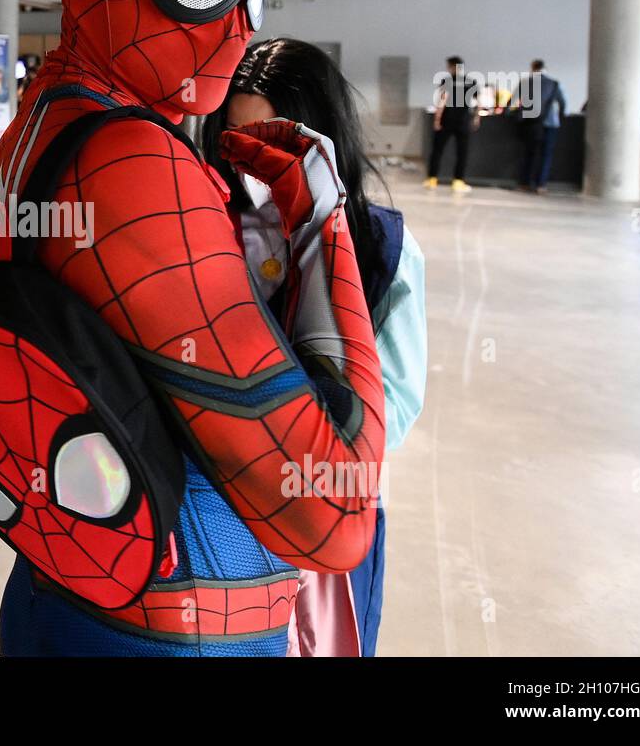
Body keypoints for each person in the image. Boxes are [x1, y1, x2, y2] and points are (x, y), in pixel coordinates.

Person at [0, 0, 385, 656]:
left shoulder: (37, 126)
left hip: (63, 581)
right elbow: (331, 507)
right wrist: (323, 222)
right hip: (176, 623)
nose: (237, 31)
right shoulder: (133, 161)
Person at [203, 39, 428, 656]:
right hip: (218, 513)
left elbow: (398, 404)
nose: (253, 167)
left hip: (324, 511)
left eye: (271, 142)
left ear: (317, 134)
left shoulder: (384, 247)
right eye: (234, 139)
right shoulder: (203, 228)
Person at [425, 55, 477, 193]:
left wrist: (437, 120)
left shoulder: (446, 81)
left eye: (448, 66)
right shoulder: (471, 81)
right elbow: (479, 101)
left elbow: (442, 101)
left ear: (453, 66)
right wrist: (476, 118)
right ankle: (458, 182)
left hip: (446, 121)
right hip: (463, 121)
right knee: (462, 153)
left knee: (437, 150)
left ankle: (432, 179)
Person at [514, 59, 567, 194]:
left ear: (532, 68)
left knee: (529, 153)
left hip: (531, 123)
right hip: (550, 123)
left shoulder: (526, 82)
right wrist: (560, 117)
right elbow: (562, 103)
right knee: (546, 155)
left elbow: (513, 100)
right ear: (545, 68)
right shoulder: (554, 84)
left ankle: (525, 182)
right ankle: (541, 184)